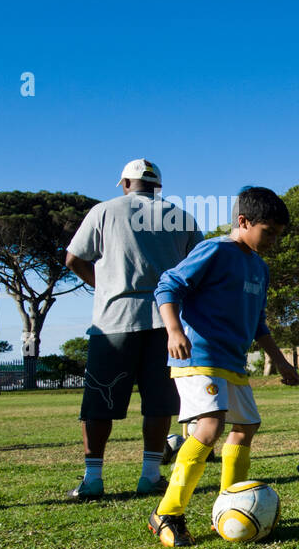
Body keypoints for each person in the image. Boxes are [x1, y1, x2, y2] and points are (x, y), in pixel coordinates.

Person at [148, 187, 299, 546]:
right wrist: (173, 330)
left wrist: (281, 362)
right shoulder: (215, 250)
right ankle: (166, 513)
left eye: (279, 234)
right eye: (269, 232)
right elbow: (167, 286)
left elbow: (259, 323)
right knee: (211, 424)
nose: (274, 241)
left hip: (232, 361)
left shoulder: (260, 267)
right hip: (198, 355)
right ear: (243, 221)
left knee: (247, 424)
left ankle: (227, 505)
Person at [63, 159, 202, 499]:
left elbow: (73, 259)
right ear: (159, 187)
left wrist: (105, 286)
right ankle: (150, 475)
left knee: (98, 402)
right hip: (166, 324)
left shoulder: (103, 211)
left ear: (126, 184)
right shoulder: (182, 217)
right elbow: (198, 268)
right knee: (159, 403)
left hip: (113, 322)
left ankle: (93, 479)